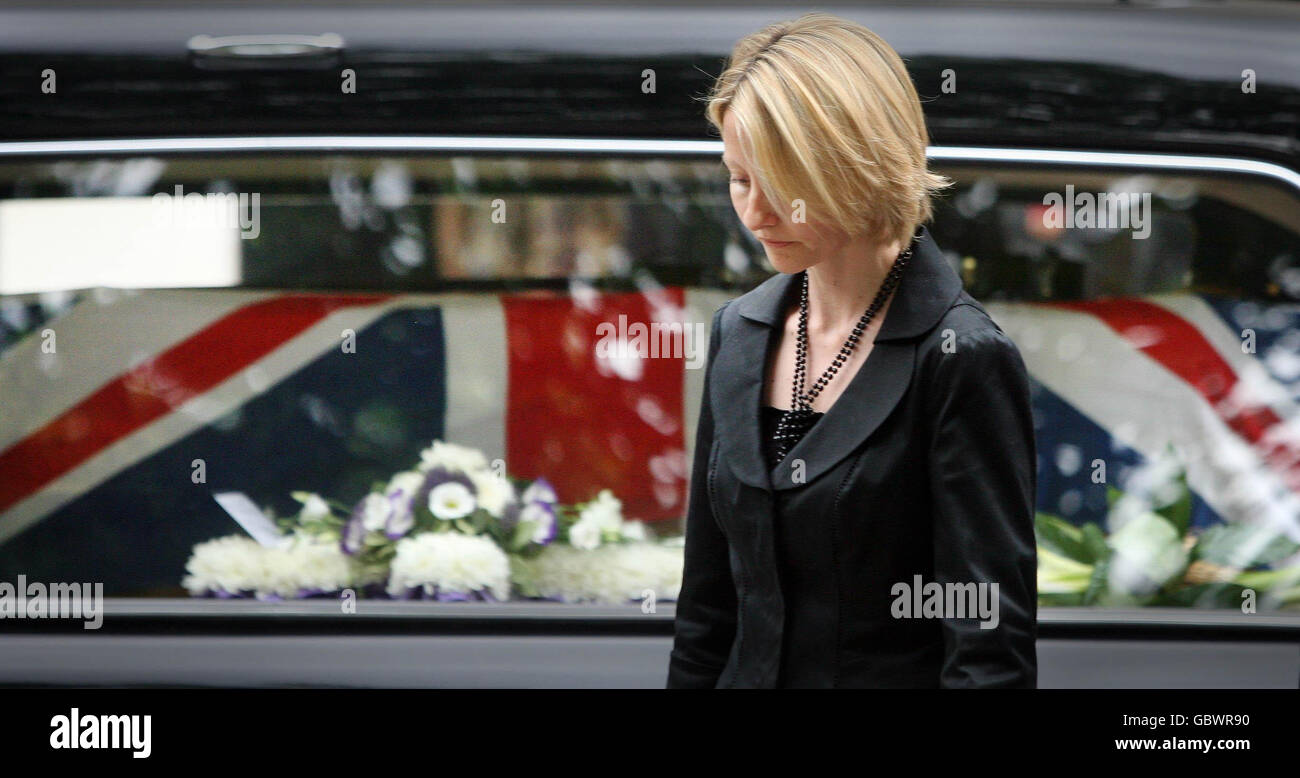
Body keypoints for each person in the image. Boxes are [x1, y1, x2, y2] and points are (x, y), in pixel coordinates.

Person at [666, 12, 1038, 688]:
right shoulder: (739, 333)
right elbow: (705, 614)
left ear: (857, 164)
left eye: (781, 182)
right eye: (738, 178)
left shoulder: (961, 357)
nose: (754, 213)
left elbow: (988, 651)